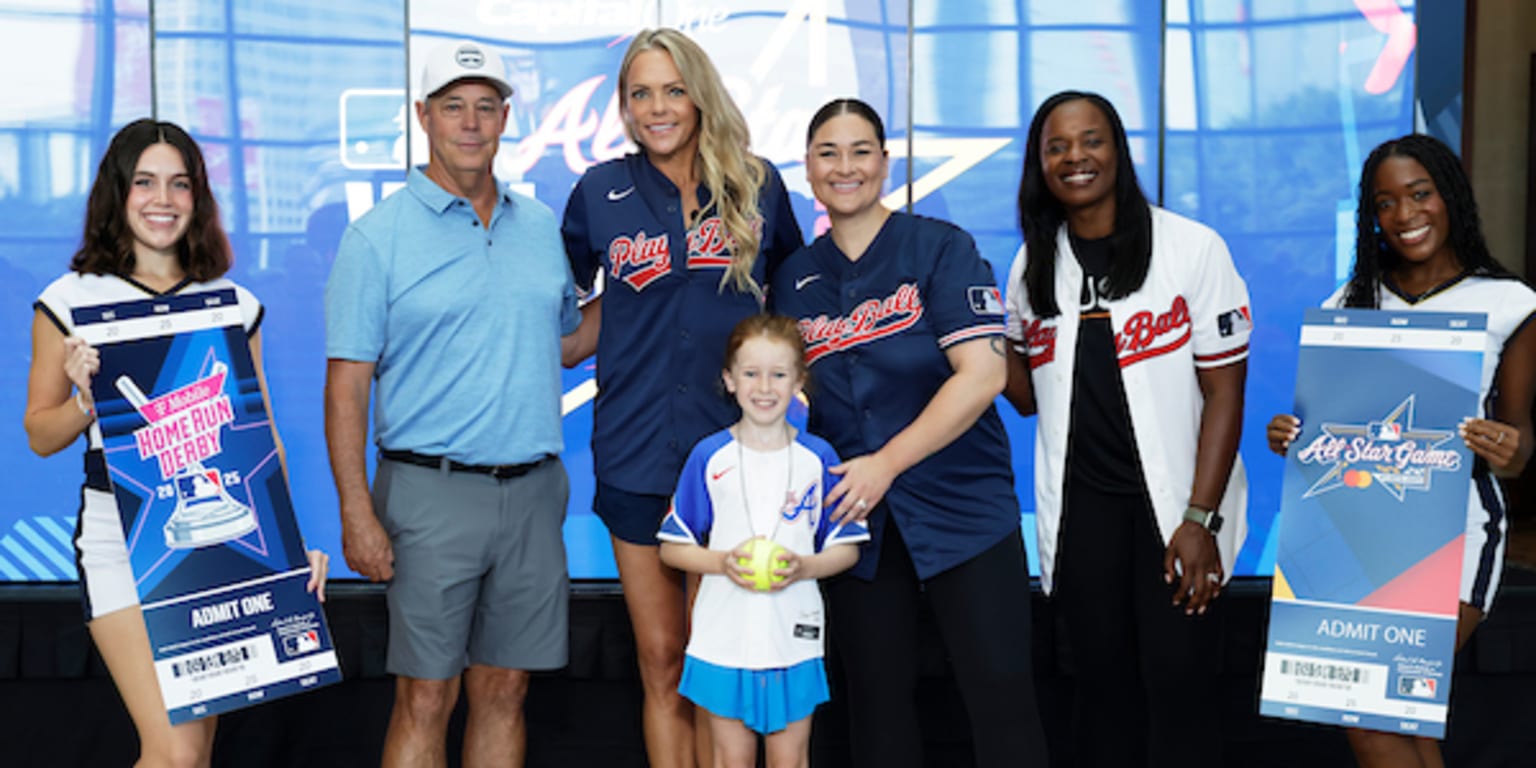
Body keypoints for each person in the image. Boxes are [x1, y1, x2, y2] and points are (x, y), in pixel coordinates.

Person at [23, 117, 329, 767]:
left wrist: (287, 546)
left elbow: (257, 436)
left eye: (179, 183)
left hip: (218, 535)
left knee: (194, 752)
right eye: (145, 182)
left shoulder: (232, 303)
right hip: (120, 536)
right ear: (117, 192)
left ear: (199, 197)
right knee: (176, 753)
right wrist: (84, 401)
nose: (163, 199)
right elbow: (38, 434)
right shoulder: (70, 299)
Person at [324, 39, 585, 767]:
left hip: (534, 493)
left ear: (506, 118)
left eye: (484, 107)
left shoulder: (538, 226)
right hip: (427, 494)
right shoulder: (375, 239)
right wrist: (355, 511)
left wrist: (652, 292)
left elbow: (563, 341)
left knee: (505, 689)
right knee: (426, 696)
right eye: (452, 106)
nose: (469, 122)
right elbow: (346, 384)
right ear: (423, 117)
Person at [770, 97, 1047, 768]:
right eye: (828, 153)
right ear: (808, 169)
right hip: (859, 523)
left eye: (861, 151)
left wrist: (885, 462)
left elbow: (982, 376)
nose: (846, 167)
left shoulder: (940, 247)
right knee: (877, 712)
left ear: (886, 163)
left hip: (964, 508)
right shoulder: (794, 280)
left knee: (1002, 700)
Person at [560, 27, 802, 768]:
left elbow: (792, 311)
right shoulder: (598, 192)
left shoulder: (756, 185)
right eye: (640, 94)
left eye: (672, 89)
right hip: (633, 451)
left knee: (714, 666)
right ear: (625, 108)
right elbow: (568, 317)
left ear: (699, 94)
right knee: (662, 659)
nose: (656, 107)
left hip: (733, 459)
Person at [1266, 133, 1536, 768]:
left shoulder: (1510, 303)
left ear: (1450, 197)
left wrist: (1510, 447)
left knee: (1373, 715)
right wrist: (1291, 434)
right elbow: (1328, 434)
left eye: (1420, 194)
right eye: (1385, 203)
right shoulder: (1350, 302)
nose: (1406, 214)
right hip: (1359, 537)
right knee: (1400, 722)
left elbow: (1522, 450)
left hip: (1458, 532)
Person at [1002, 90, 1251, 768]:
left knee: (1182, 695)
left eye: (1091, 140)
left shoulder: (1191, 248)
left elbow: (1225, 394)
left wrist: (1200, 519)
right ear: (1039, 163)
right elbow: (1027, 399)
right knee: (1101, 700)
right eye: (1057, 146)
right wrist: (967, 345)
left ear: (1117, 150)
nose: (1075, 157)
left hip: (1175, 517)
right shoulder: (1033, 265)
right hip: (1084, 519)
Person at [656, 313, 868, 768]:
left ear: (799, 381)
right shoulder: (709, 456)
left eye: (778, 374)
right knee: (730, 759)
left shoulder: (819, 458)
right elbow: (672, 546)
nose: (765, 387)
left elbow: (847, 547)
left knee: (789, 759)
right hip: (722, 632)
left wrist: (805, 567)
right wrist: (723, 562)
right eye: (751, 374)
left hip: (793, 633)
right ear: (729, 380)